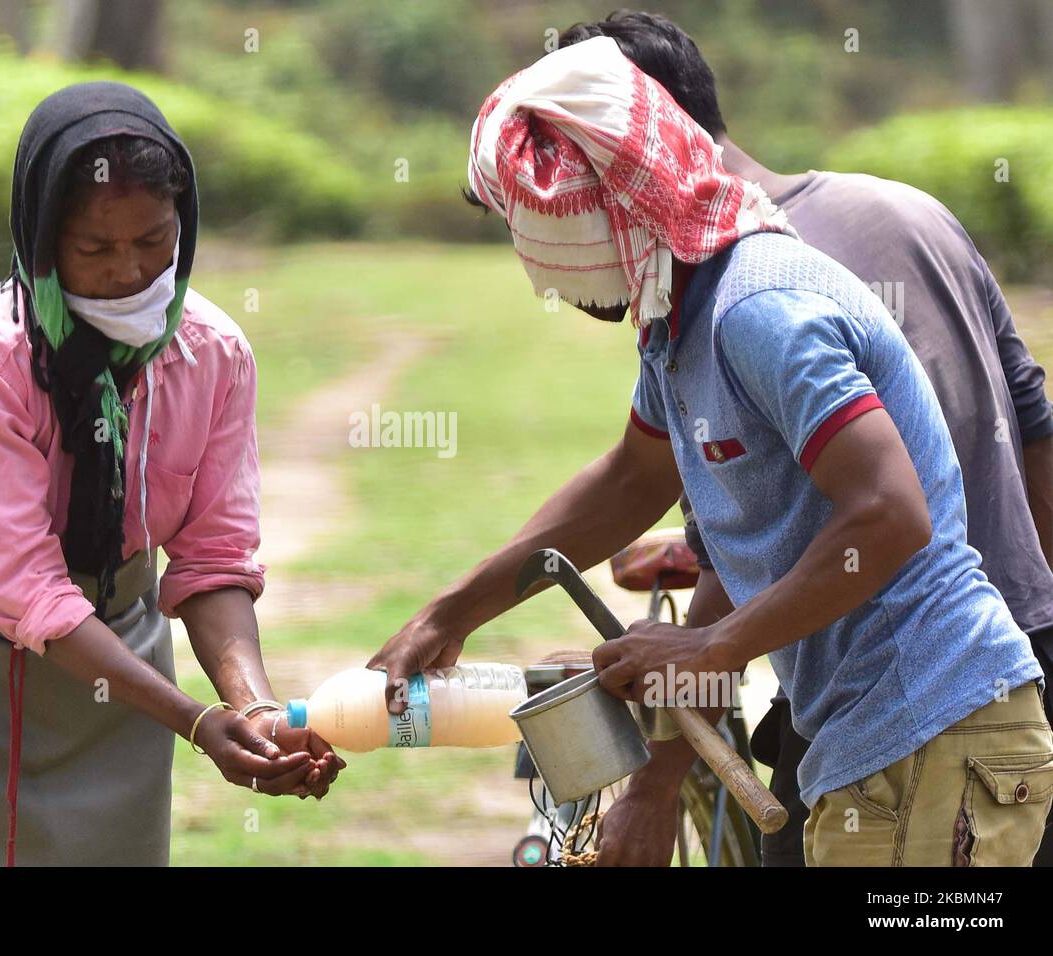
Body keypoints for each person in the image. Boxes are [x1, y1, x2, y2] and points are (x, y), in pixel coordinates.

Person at [367, 36, 1053, 866]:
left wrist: (708, 647)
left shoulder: (756, 305)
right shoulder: (680, 322)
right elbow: (629, 480)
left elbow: (891, 513)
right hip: (877, 738)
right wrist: (453, 611)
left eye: (530, 235)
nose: (539, 278)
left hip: (930, 728)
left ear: (596, 213)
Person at [0, 81, 343, 866]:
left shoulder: (211, 355)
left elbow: (215, 558)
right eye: (95, 250)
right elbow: (27, 589)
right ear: (42, 240)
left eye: (155, 240)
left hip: (116, 674)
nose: (131, 272)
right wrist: (191, 719)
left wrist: (251, 707)